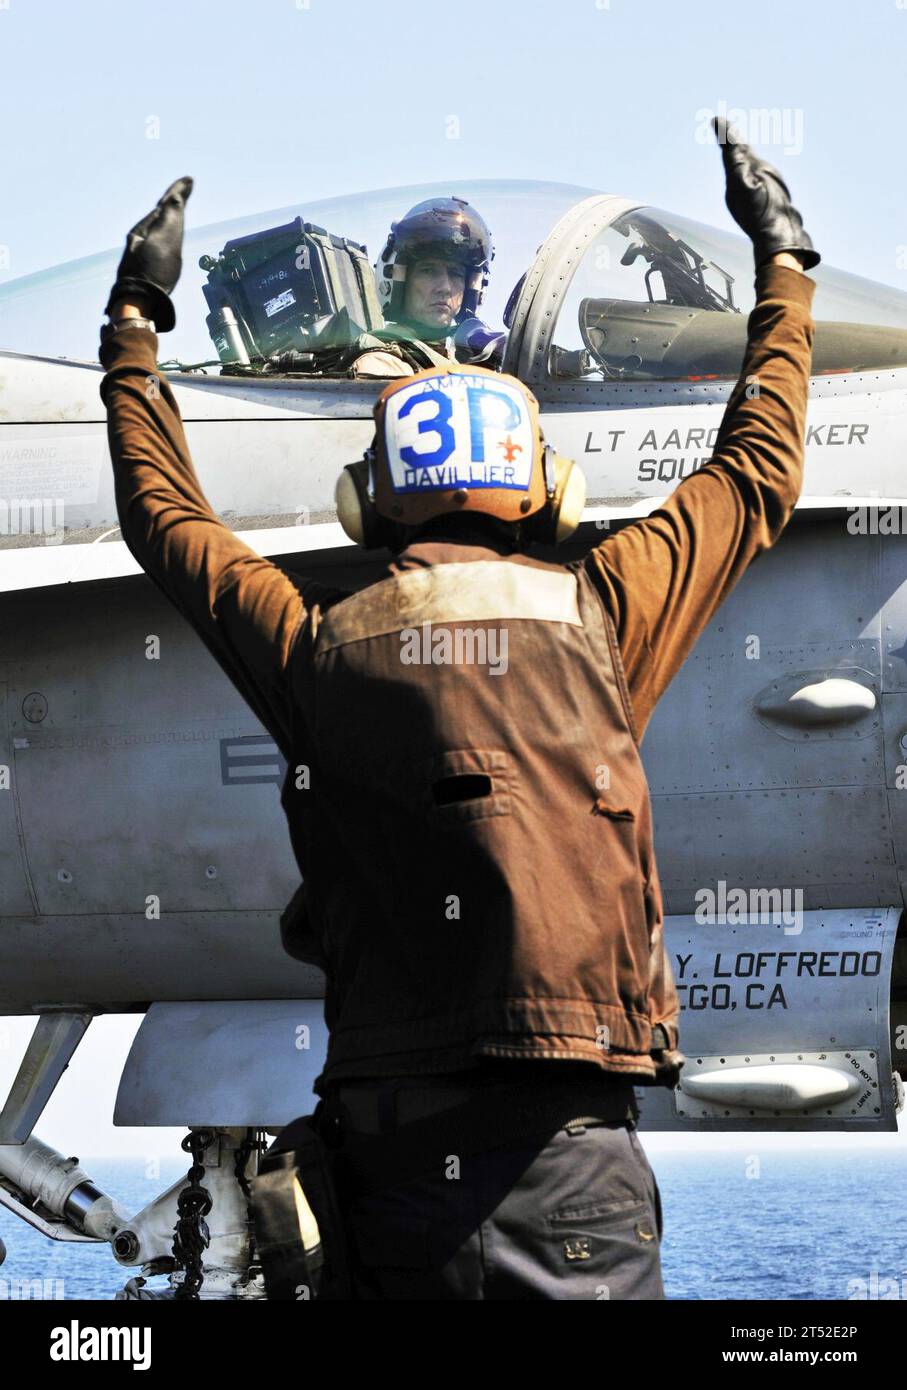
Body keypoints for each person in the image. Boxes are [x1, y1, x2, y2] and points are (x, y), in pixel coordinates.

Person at [98, 116, 818, 1299]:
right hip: (566, 1172)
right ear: (548, 493)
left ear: (362, 505)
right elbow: (756, 469)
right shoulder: (604, 615)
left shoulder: (319, 646)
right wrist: (782, 269)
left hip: (379, 1177)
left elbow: (165, 519)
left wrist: (135, 327)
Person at [349, 196, 506, 378]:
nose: (445, 288)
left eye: (455, 274)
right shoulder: (383, 364)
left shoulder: (455, 360)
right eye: (429, 271)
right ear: (398, 282)